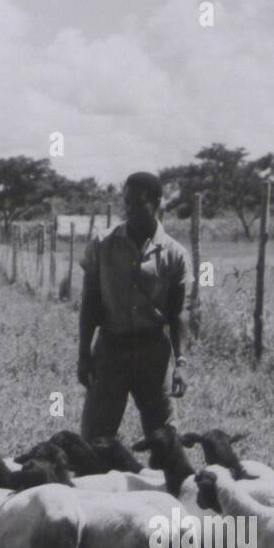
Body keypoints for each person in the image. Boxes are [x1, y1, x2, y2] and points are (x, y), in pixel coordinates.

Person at [77, 171, 191, 440]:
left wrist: (181, 363)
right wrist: (84, 354)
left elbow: (179, 313)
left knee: (165, 441)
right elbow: (90, 303)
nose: (130, 209)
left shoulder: (175, 254)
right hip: (111, 350)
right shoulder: (103, 244)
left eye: (138, 203)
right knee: (94, 440)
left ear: (157, 203)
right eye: (126, 202)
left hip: (153, 353)